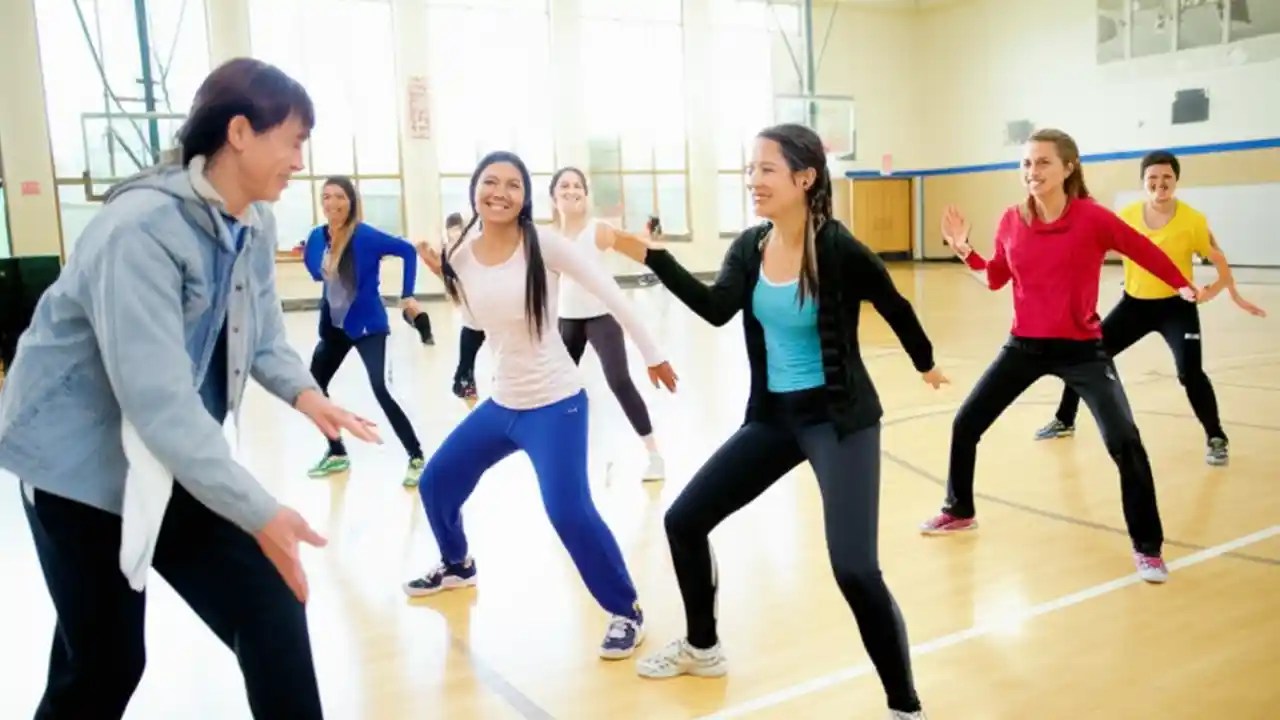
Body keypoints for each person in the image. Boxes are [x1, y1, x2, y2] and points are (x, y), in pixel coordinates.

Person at [0, 57, 379, 719]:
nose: (299, 161)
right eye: (292, 140)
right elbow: (159, 403)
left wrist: (305, 393)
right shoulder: (139, 232)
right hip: (77, 472)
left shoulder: (252, 222)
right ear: (240, 132)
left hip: (171, 459)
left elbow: (260, 333)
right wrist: (259, 508)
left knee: (269, 604)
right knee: (105, 663)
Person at [610, 123, 942, 720]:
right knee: (685, 520)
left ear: (804, 177)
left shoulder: (839, 250)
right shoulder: (751, 247)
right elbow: (715, 310)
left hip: (840, 421)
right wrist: (653, 256)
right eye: (751, 169)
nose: (753, 180)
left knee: (855, 570)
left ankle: (905, 707)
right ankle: (703, 646)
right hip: (774, 418)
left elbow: (895, 305)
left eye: (766, 169)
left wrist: (926, 364)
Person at [404, 151, 678, 661]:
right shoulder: (462, 251)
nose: (500, 192)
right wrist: (445, 275)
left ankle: (626, 611)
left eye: (513, 184)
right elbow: (472, 317)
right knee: (437, 482)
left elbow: (612, 295)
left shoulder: (544, 245)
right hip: (503, 401)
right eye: (491, 182)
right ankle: (457, 564)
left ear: (526, 196)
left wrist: (653, 355)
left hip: (556, 403)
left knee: (568, 510)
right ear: (475, 190)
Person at [919, 129, 1200, 585]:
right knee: (965, 423)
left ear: (1068, 167)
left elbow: (1142, 249)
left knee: (1124, 440)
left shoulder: (1093, 218)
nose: (1032, 171)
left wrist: (1181, 284)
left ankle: (1148, 548)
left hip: (1083, 351)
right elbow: (994, 278)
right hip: (1023, 346)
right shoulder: (1012, 220)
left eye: (1043, 163)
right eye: (1027, 163)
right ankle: (959, 510)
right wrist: (964, 250)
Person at [1034, 150, 1267, 466]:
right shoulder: (1127, 215)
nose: (1160, 184)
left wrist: (1215, 291)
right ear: (1144, 182)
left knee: (1190, 373)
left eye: (1166, 177)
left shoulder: (1193, 220)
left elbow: (1218, 257)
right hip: (1134, 306)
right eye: (1152, 178)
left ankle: (1216, 437)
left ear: (1175, 181)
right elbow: (1092, 244)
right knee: (1086, 356)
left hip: (1176, 308)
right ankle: (1065, 419)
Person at [302, 177, 426, 487]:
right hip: (334, 326)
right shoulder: (317, 237)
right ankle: (336, 452)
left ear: (351, 201)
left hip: (368, 326)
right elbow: (317, 274)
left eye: (339, 197)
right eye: (326, 196)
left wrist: (407, 293)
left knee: (380, 388)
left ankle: (416, 456)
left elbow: (408, 251)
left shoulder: (366, 235)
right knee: (314, 386)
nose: (332, 203)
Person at [551, 166, 665, 481]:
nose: (571, 190)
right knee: (556, 388)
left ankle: (654, 455)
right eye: (564, 186)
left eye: (577, 186)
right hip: (567, 320)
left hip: (601, 318)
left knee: (619, 381)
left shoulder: (596, 230)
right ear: (554, 196)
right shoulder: (550, 238)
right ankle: (557, 455)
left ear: (585, 195)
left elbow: (634, 245)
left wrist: (654, 245)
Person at [421, 212, 487, 408]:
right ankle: (465, 385)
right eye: (452, 230)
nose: (455, 233)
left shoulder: (470, 245)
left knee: (470, 353)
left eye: (457, 229)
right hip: (472, 311)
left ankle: (463, 381)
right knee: (469, 352)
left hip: (478, 311)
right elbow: (444, 275)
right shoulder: (450, 250)